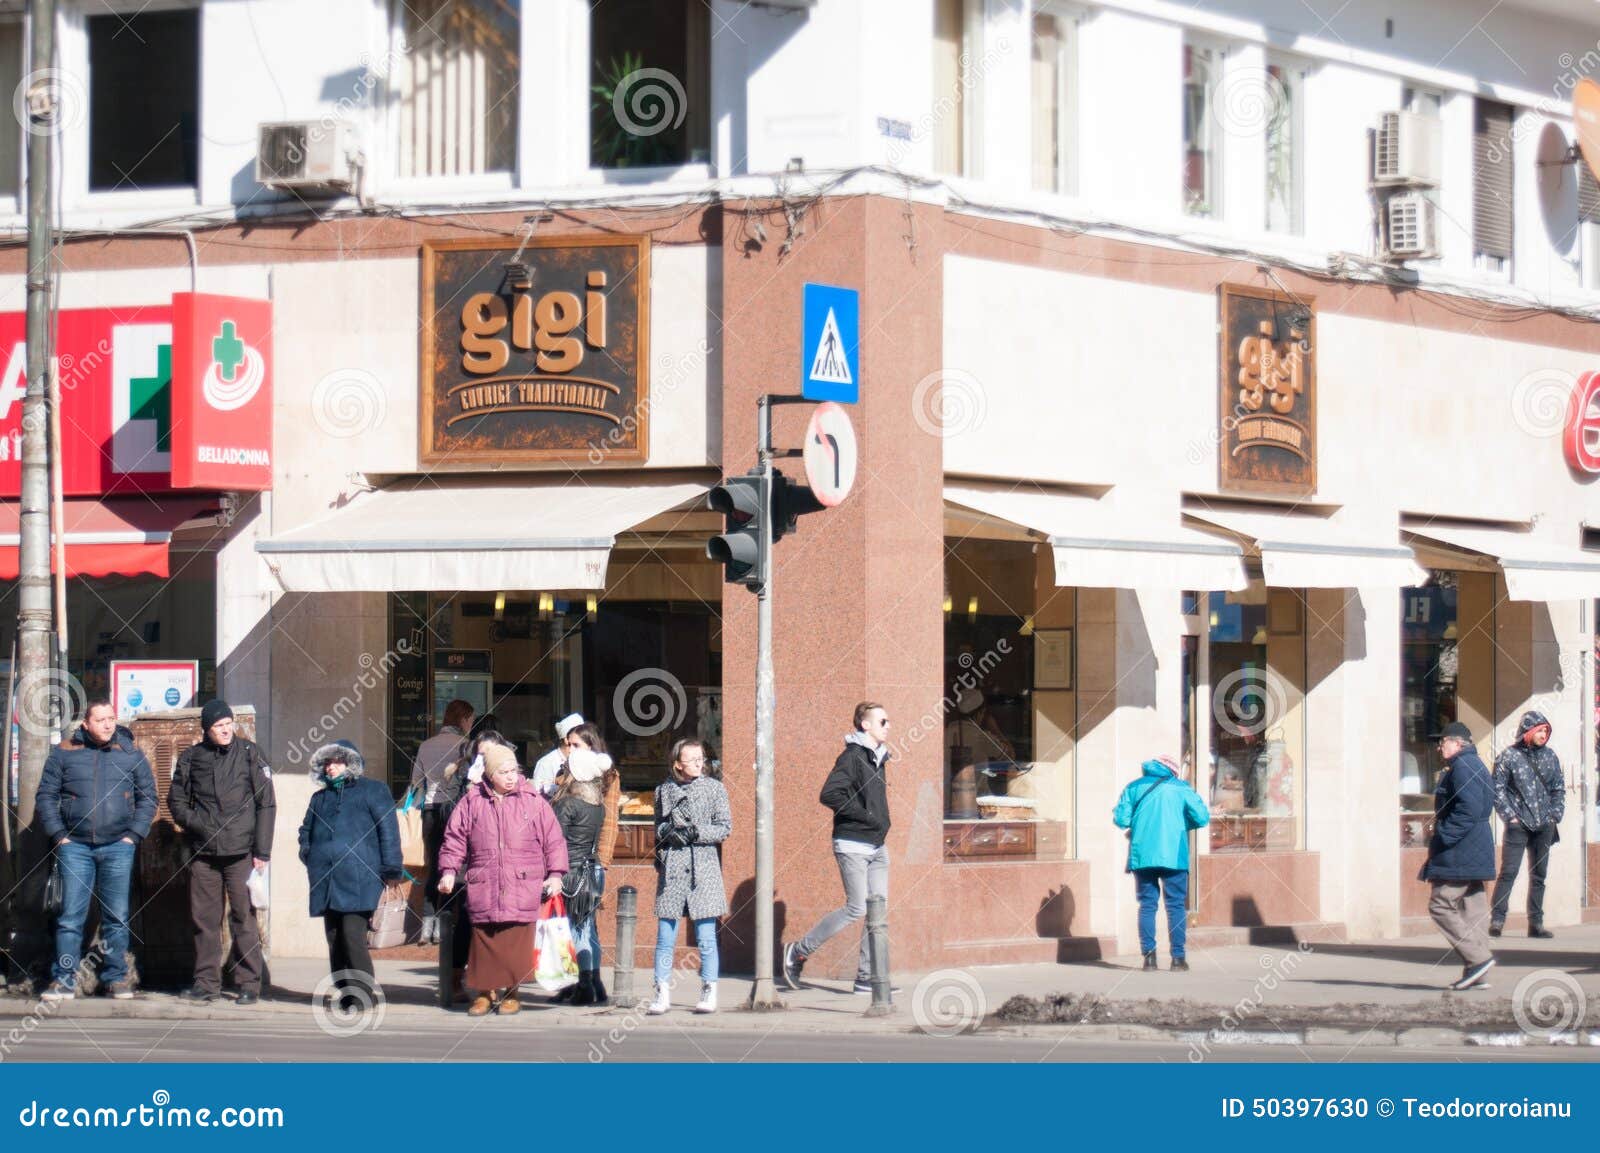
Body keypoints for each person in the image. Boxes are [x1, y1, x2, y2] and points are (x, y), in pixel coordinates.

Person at [35, 700, 157, 1001]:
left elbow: (149, 798)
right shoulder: (64, 753)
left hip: (118, 845)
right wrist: (59, 835)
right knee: (70, 917)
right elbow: (46, 796)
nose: (107, 724)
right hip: (74, 846)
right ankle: (64, 980)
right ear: (86, 724)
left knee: (116, 917)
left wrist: (133, 835)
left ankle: (115, 979)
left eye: (111, 718)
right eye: (100, 719)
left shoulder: (130, 753)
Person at [437, 742, 568, 1017]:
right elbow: (455, 839)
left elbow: (554, 842)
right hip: (485, 884)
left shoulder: (533, 801)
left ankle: (511, 992)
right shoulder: (472, 801)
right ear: (490, 775)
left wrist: (555, 875)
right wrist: (449, 870)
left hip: (523, 883)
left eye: (513, 770)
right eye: (504, 772)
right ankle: (484, 993)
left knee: (515, 941)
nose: (511, 776)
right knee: (485, 940)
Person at [781, 702, 896, 996]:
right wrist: (867, 816)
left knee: (877, 911)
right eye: (883, 721)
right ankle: (798, 951)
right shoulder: (853, 757)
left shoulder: (877, 758)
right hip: (853, 843)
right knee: (857, 907)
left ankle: (867, 978)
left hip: (877, 845)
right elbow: (829, 793)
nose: (888, 725)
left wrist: (878, 824)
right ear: (864, 724)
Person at [169, 699, 276, 1005]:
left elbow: (266, 803)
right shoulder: (191, 758)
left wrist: (262, 851)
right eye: (218, 726)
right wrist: (197, 824)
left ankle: (248, 983)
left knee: (244, 918)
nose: (226, 730)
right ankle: (206, 982)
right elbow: (176, 800)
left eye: (228, 724)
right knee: (204, 919)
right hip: (203, 853)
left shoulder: (250, 754)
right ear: (207, 729)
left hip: (242, 852)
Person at [299, 740, 402, 1012]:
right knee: (334, 937)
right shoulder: (319, 798)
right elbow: (305, 831)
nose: (331, 767)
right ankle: (345, 992)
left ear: (350, 763)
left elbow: (388, 831)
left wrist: (392, 869)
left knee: (352, 934)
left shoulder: (374, 791)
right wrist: (309, 854)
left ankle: (363, 993)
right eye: (327, 763)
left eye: (337, 762)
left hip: (360, 877)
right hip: (326, 879)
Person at [648, 738, 732, 1015]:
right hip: (673, 866)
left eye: (702, 758)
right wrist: (666, 833)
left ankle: (709, 988)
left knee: (706, 935)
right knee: (665, 935)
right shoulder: (663, 790)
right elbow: (658, 826)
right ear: (678, 764)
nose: (699, 763)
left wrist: (697, 832)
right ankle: (661, 991)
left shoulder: (715, 789)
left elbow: (724, 827)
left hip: (703, 867)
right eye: (693, 759)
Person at [434, 729, 513, 1003]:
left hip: (503, 863)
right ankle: (457, 976)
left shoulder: (508, 776)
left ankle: (494, 980)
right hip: (471, 864)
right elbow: (446, 817)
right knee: (468, 922)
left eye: (491, 753)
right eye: (482, 753)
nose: (486, 758)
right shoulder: (461, 775)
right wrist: (468, 790)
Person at [1112, 755, 1209, 971]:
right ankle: (1178, 959)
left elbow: (1121, 820)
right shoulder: (1181, 787)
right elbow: (1202, 817)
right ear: (1172, 771)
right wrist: (1182, 822)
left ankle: (1149, 958)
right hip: (1174, 855)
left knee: (1147, 905)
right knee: (1175, 906)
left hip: (1143, 855)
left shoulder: (1134, 787)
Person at [1423, 721, 1497, 990]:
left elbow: (1469, 809)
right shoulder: (1473, 764)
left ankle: (1478, 960)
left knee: (1440, 904)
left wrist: (1444, 836)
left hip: (1461, 849)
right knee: (1473, 907)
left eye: (1444, 741)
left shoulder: (1463, 767)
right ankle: (1478, 972)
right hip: (1475, 846)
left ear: (1459, 743)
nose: (1440, 746)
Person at [1490, 710, 1565, 939]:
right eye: (1539, 730)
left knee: (1539, 875)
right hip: (1518, 825)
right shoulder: (1508, 757)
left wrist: (1554, 816)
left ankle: (1536, 923)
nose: (1543, 734)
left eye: (1545, 730)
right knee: (1509, 872)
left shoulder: (1550, 756)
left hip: (1544, 825)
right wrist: (1510, 816)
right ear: (1528, 731)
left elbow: (1558, 789)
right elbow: (1497, 788)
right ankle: (1497, 920)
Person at [551, 745, 613, 1005]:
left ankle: (583, 984)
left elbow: (555, 840)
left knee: (574, 930)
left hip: (572, 872)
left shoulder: (568, 804)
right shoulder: (597, 804)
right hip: (593, 869)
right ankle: (593, 982)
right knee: (589, 930)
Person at [413, 700, 474, 943]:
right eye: (470, 720)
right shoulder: (466, 746)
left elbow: (416, 780)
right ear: (464, 719)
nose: (471, 724)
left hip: (429, 810)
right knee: (453, 868)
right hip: (455, 811)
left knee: (434, 866)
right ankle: (443, 925)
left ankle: (426, 927)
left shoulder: (426, 745)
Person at [531, 712, 585, 796]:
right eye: (582, 736)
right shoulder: (545, 764)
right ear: (567, 739)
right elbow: (538, 798)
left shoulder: (586, 760)